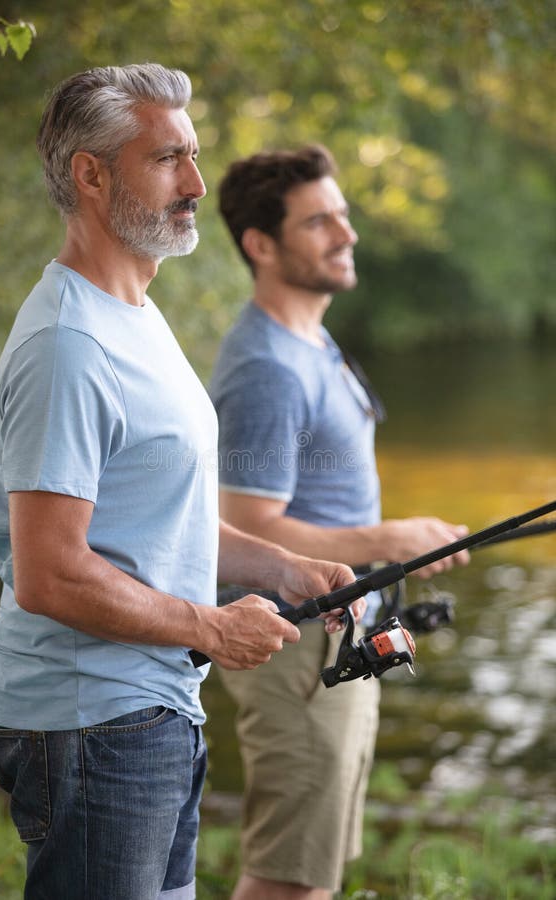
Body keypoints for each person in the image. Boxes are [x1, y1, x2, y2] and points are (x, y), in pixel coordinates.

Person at [0, 70, 361, 900]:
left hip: (147, 710)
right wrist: (211, 628)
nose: (194, 184)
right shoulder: (69, 346)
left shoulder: (137, 317)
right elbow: (49, 571)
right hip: (91, 717)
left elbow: (159, 516)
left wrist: (284, 568)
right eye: (168, 159)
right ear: (91, 173)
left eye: (194, 156)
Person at [209, 144, 471, 900]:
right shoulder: (267, 367)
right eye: (318, 221)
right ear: (261, 245)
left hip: (343, 639)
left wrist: (390, 553)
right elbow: (246, 529)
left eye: (344, 215)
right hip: (297, 652)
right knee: (286, 881)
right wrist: (391, 541)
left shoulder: (311, 341)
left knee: (314, 874)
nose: (345, 234)